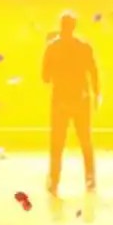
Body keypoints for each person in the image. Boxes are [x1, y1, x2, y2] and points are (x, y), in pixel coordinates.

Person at [42, 12, 99, 194]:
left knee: (57, 142)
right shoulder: (84, 47)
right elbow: (93, 72)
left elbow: (44, 77)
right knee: (85, 140)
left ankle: (54, 180)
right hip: (81, 98)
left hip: (60, 99)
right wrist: (96, 93)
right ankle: (90, 179)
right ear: (74, 26)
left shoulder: (53, 47)